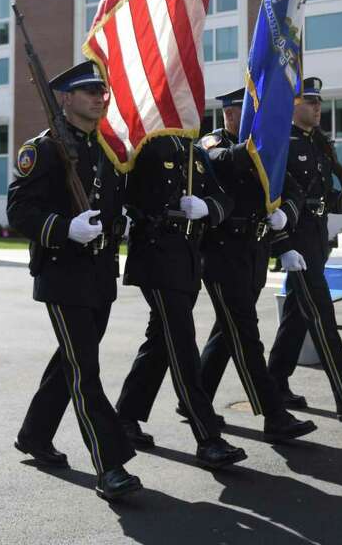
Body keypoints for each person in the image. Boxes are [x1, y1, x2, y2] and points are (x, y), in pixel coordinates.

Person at [6, 60, 140, 502]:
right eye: (89, 92)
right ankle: (110, 465)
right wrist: (65, 229)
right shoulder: (43, 149)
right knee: (86, 369)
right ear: (65, 99)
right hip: (63, 274)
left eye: (103, 91)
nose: (101, 97)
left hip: (99, 273)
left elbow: (114, 208)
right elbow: (19, 212)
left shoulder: (103, 149)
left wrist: (113, 226)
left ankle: (34, 435)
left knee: (71, 360)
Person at [113, 134, 248, 469]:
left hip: (187, 259)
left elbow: (223, 199)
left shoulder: (196, 153)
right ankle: (208, 438)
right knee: (182, 345)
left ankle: (125, 418)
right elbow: (125, 192)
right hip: (156, 255)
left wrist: (208, 209)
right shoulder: (145, 146)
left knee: (160, 342)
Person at [194, 88, 317, 442]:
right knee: (246, 336)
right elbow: (220, 163)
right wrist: (258, 147)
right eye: (237, 111)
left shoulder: (262, 150)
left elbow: (292, 190)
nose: (240, 117)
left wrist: (284, 217)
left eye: (248, 111)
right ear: (228, 114)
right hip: (222, 252)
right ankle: (274, 416)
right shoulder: (213, 144)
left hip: (255, 251)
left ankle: (195, 398)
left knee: (227, 330)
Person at [267, 77, 342, 419]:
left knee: (296, 316)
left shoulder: (318, 143)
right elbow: (274, 201)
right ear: (292, 104)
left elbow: (320, 197)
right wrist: (283, 246)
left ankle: (275, 383)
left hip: (317, 237)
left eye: (319, 101)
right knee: (321, 314)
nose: (318, 107)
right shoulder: (282, 144)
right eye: (311, 101)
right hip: (297, 240)